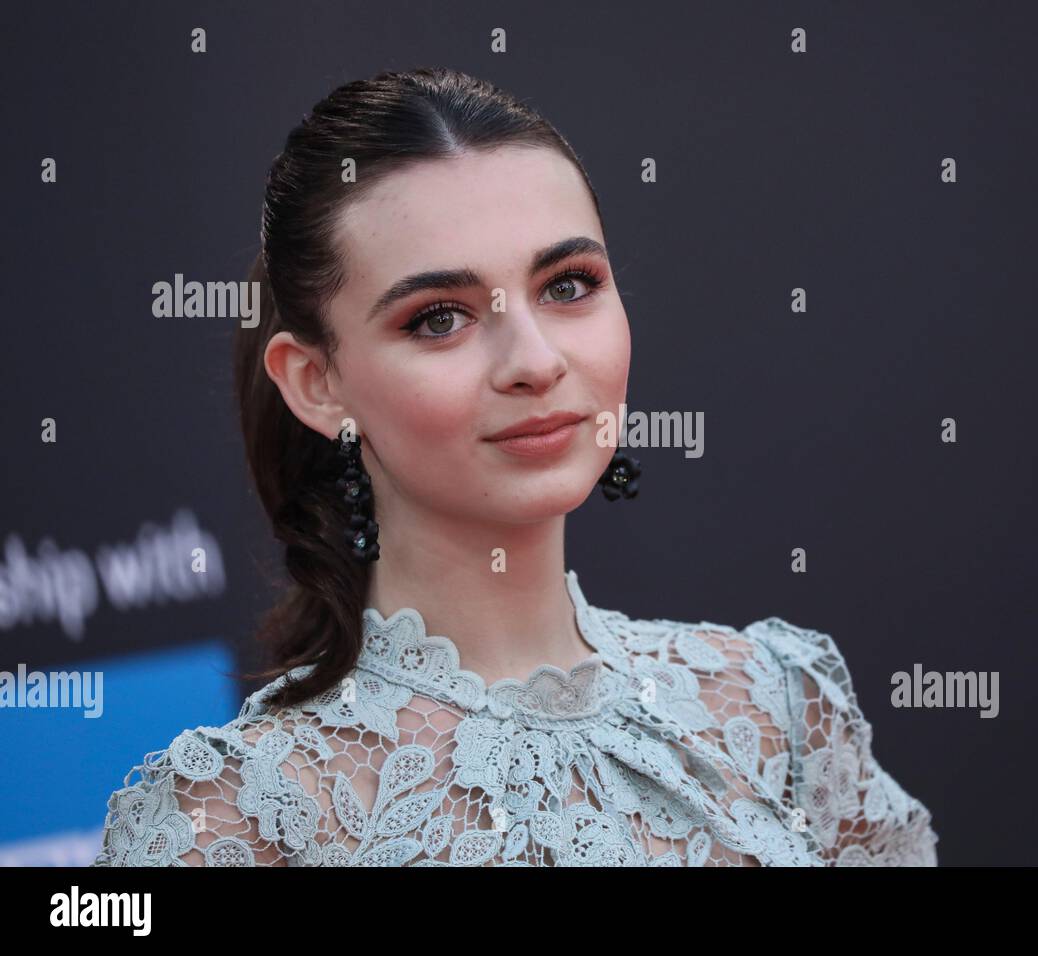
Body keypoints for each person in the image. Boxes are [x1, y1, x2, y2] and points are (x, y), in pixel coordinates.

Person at [91, 67, 938, 867]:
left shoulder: (774, 708)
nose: (533, 361)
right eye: (438, 319)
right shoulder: (234, 816)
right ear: (317, 384)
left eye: (568, 286)